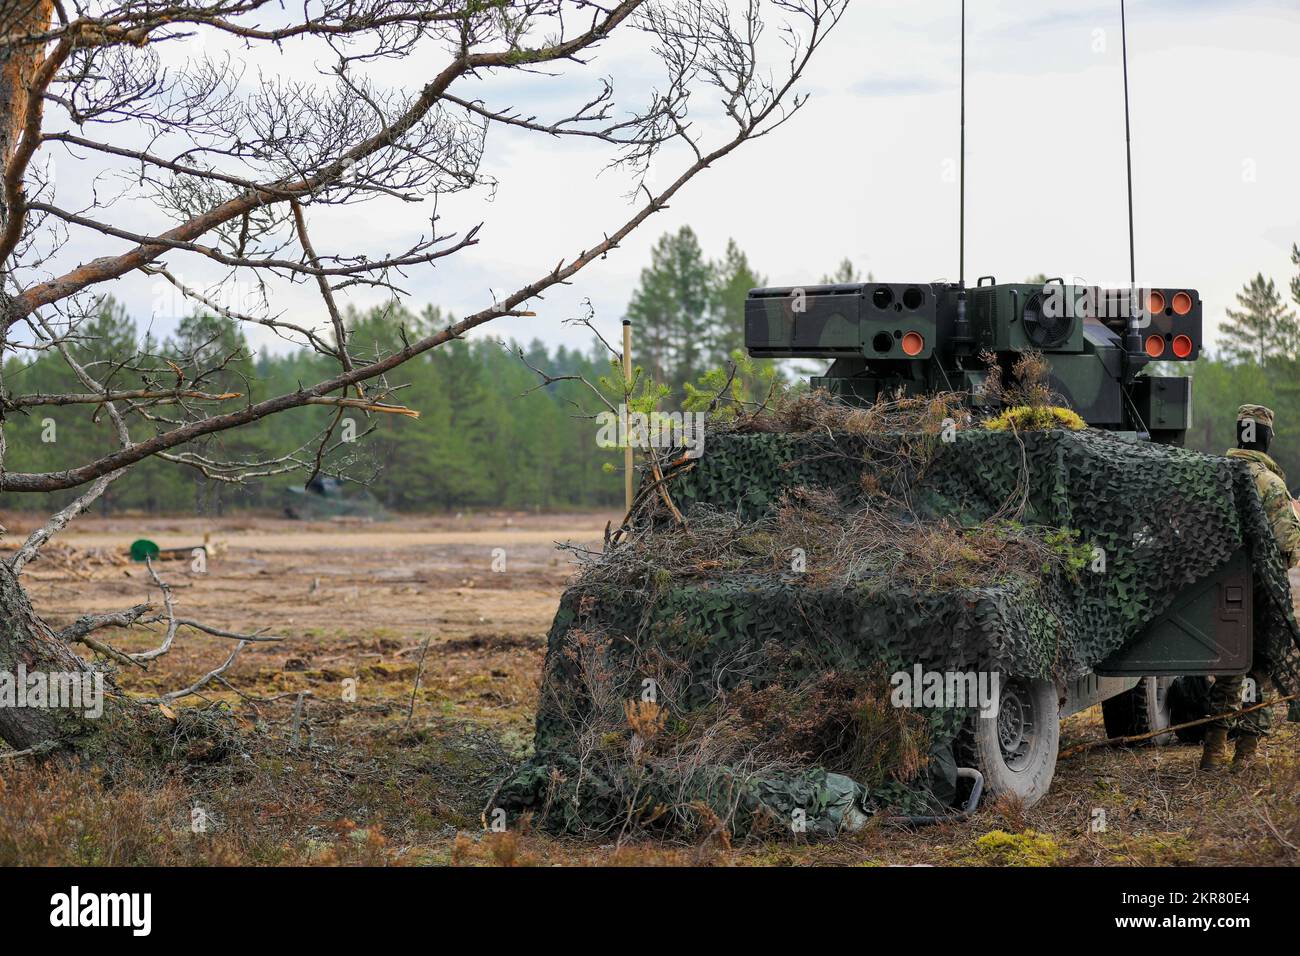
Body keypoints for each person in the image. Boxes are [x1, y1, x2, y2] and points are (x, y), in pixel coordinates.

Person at [1201, 404, 1300, 772]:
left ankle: (1212, 752)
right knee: (1260, 669)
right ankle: (1245, 757)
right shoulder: (1271, 484)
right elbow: (1288, 545)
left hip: (1219, 590)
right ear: (1266, 439)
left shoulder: (1212, 476)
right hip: (1262, 593)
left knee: (1227, 669)